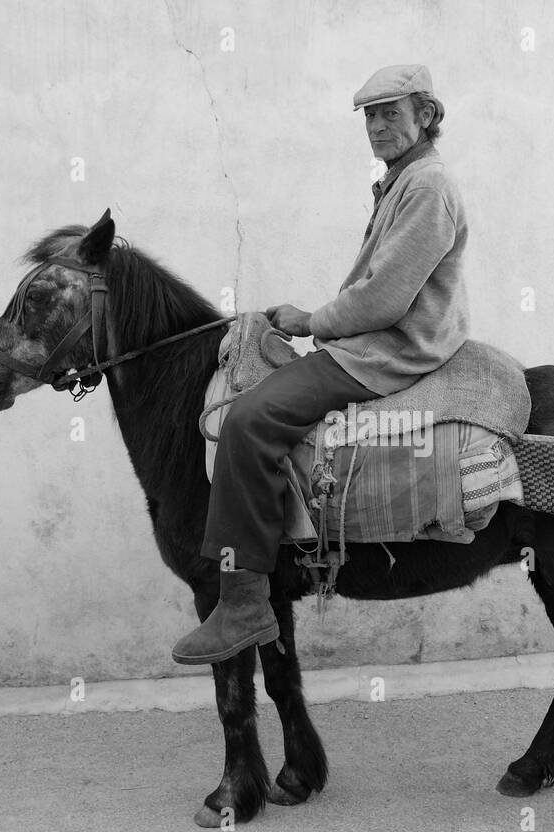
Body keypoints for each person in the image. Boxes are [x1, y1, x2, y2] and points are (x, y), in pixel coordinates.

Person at [172, 63, 471, 665]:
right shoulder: (403, 180)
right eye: (370, 116)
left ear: (427, 116)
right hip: (377, 341)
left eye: (392, 113)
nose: (378, 126)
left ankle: (243, 604)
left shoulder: (428, 187)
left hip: (392, 351)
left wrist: (311, 321)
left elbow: (386, 298)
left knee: (248, 421)